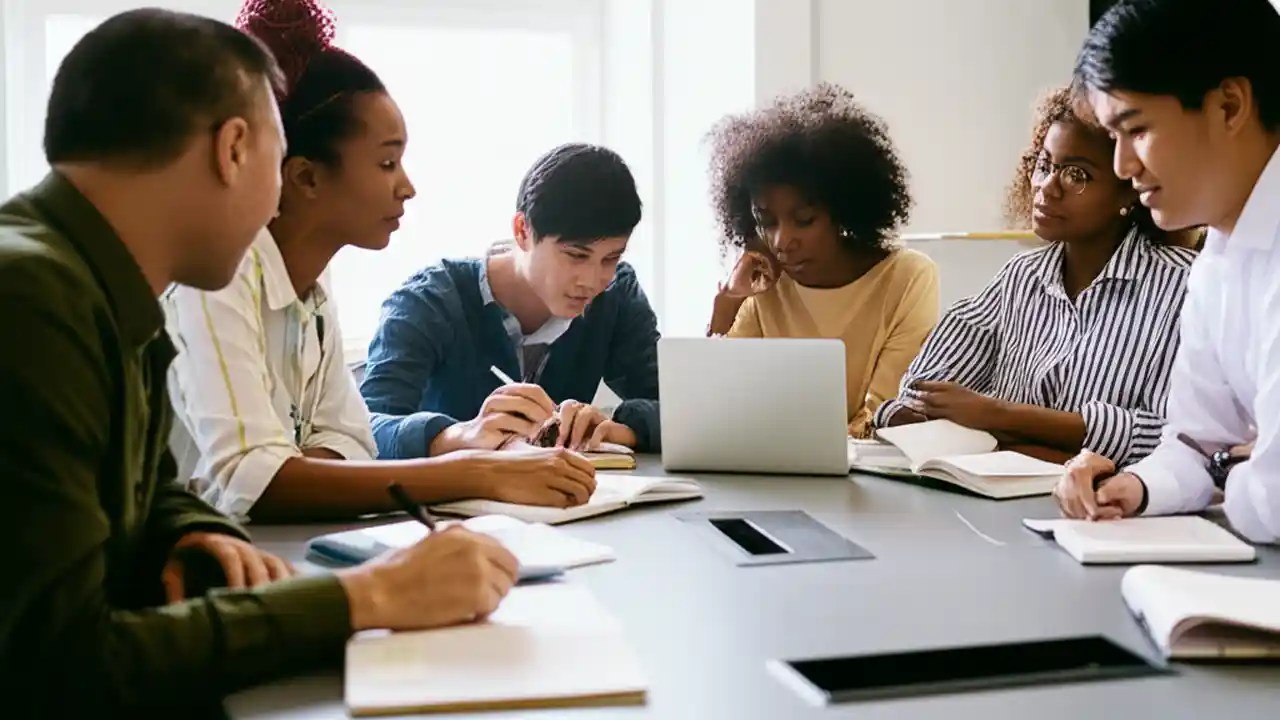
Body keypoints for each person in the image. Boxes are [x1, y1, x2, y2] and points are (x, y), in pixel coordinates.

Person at [0, 8, 518, 715]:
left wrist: (193, 530)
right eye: (278, 160)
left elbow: (148, 489)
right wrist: (367, 597)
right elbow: (61, 666)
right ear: (235, 149)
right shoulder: (32, 303)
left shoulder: (99, 286)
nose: (278, 195)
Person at [165, 0, 595, 522]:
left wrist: (298, 475)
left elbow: (352, 443)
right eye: (387, 162)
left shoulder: (312, 286)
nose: (407, 187)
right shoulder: (216, 278)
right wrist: (479, 470)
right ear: (306, 177)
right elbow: (252, 481)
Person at [1053, 0, 1280, 544]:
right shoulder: (1218, 259)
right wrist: (1136, 485)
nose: (1122, 166)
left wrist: (1221, 471)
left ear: (1229, 106)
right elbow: (1194, 442)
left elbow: (1274, 501)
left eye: (1136, 130)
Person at [874, 86, 1197, 465]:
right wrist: (1023, 441)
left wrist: (999, 416)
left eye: (1076, 175)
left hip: (1103, 500)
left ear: (1129, 189)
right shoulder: (1019, 277)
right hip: (993, 490)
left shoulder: (1181, 285)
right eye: (1045, 165)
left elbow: (1164, 436)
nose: (1047, 186)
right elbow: (919, 394)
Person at [360, 143, 661, 458]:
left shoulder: (615, 294)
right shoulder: (428, 302)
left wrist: (616, 429)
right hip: (454, 489)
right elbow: (366, 430)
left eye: (610, 258)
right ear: (522, 231)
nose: (592, 280)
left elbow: (679, 409)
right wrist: (459, 435)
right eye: (576, 255)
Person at [704, 83, 940, 438]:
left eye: (804, 220)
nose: (781, 241)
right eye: (766, 221)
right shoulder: (765, 285)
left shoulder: (908, 277)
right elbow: (717, 404)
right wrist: (730, 301)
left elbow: (881, 416)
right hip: (775, 463)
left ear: (844, 211)